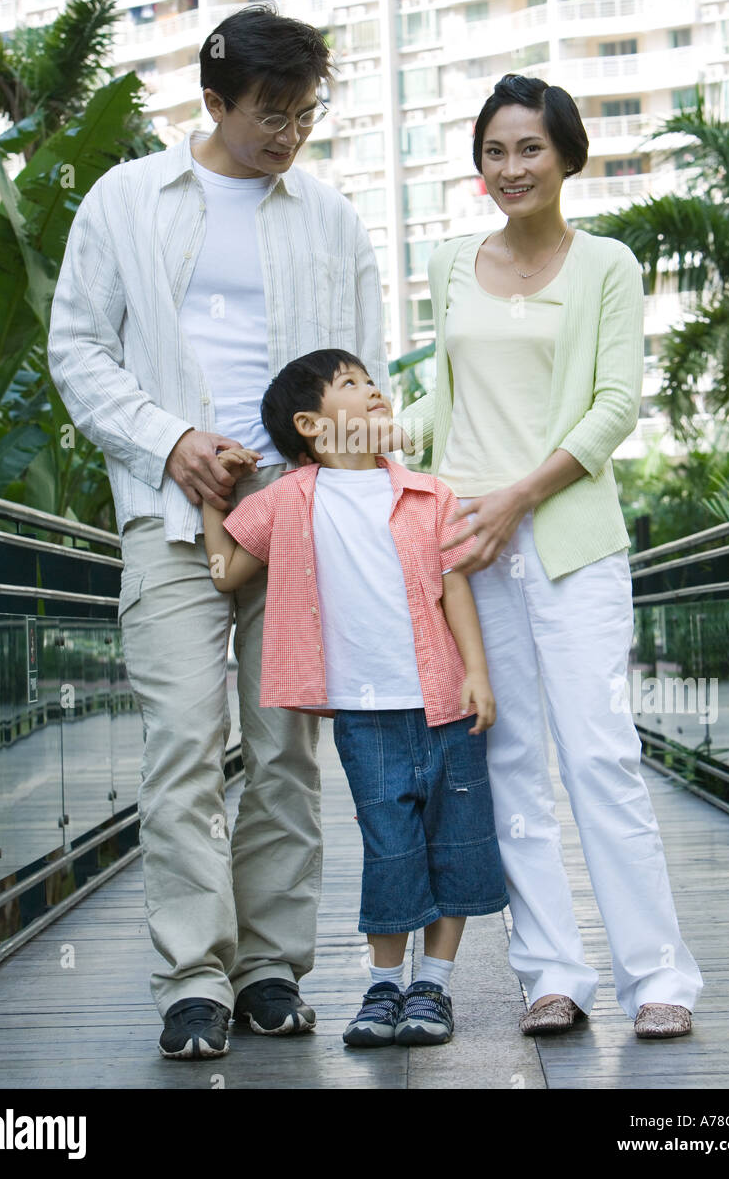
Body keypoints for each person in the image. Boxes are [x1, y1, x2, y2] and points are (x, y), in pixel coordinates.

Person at [47, 4, 389, 1060]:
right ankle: (192, 977)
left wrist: (350, 492)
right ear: (214, 101)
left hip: (298, 519)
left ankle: (271, 969)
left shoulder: (330, 217)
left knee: (286, 748)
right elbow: (78, 350)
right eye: (269, 114)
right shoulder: (127, 202)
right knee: (185, 745)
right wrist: (168, 439)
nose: (288, 133)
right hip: (168, 516)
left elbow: (365, 369)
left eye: (305, 113)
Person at [395, 74, 703, 1040]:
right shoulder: (450, 262)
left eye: (529, 148)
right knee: (509, 763)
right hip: (466, 550)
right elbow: (443, 405)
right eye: (493, 150)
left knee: (601, 755)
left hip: (565, 540)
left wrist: (519, 497)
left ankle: (658, 979)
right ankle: (550, 974)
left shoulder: (604, 263)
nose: (509, 167)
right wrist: (347, 438)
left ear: (567, 157)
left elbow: (614, 405)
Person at [201, 350, 509, 1048]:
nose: (372, 391)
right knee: (390, 847)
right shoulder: (285, 500)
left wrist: (477, 674)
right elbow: (224, 574)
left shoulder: (428, 494)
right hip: (364, 716)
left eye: (372, 381)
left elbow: (452, 585)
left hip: (444, 704)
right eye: (350, 384)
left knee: (452, 844)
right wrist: (207, 499)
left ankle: (431, 986)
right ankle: (381, 988)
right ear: (309, 424)